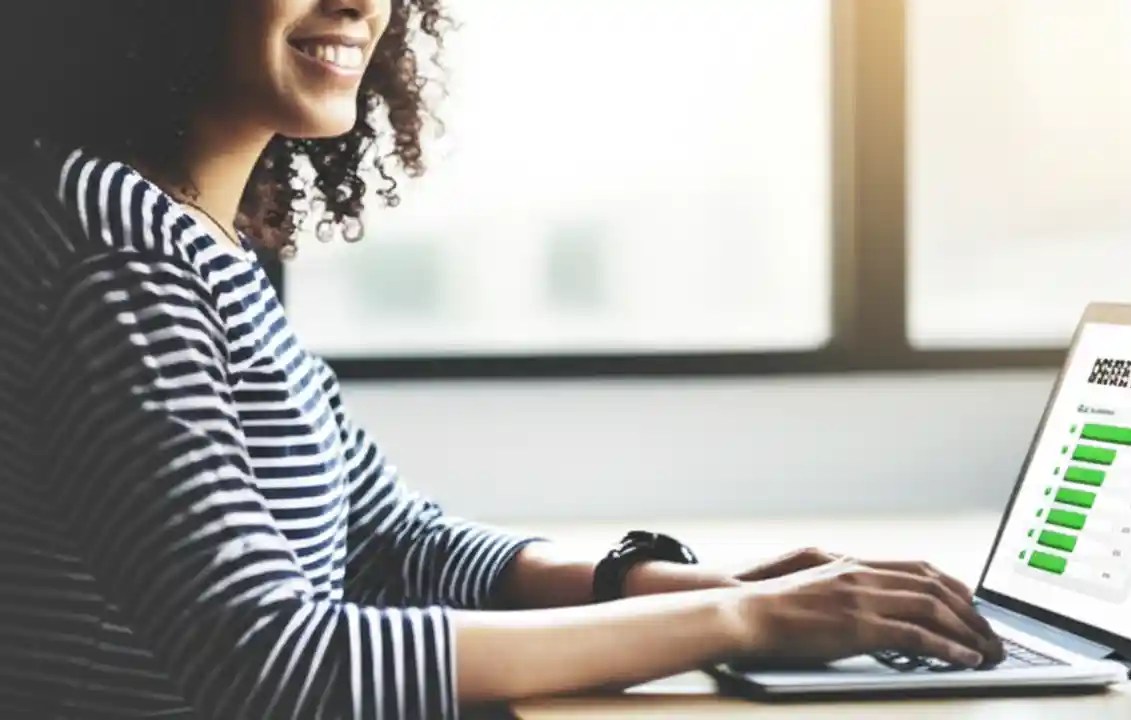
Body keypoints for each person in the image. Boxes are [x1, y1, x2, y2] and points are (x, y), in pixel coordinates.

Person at [0, 1, 1002, 717]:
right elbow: (276, 666)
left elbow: (390, 545)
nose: (359, 4)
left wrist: (714, 589)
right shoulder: (117, 253)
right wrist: (743, 624)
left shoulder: (183, 234)